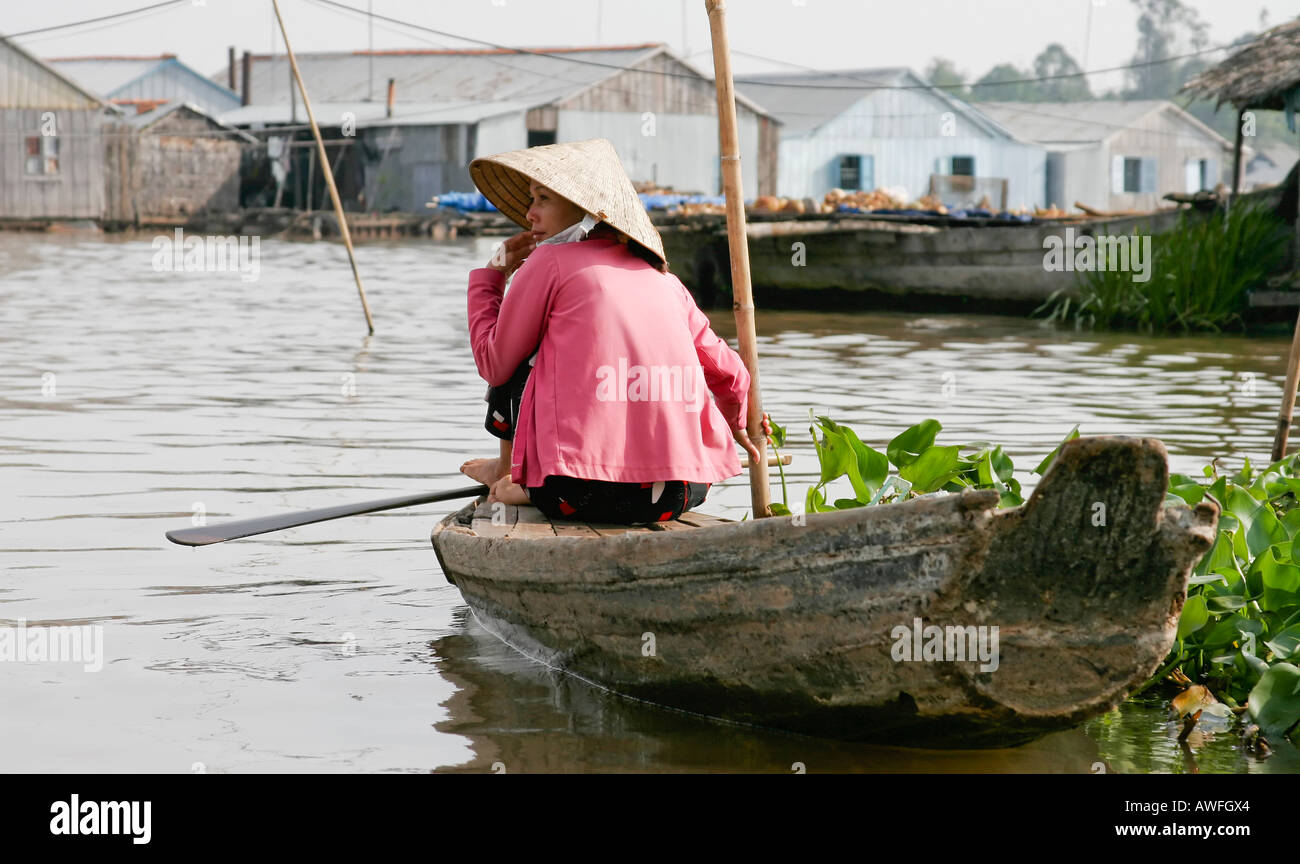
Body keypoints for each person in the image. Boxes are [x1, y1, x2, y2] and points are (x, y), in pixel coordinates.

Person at [458, 137, 765, 525]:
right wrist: (738, 425)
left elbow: (494, 363)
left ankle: (508, 473)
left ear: (586, 208)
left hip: (574, 492)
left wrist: (492, 276)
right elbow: (733, 375)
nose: (529, 213)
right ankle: (513, 471)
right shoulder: (666, 280)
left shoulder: (548, 262)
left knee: (517, 353)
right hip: (683, 491)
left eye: (542, 199)